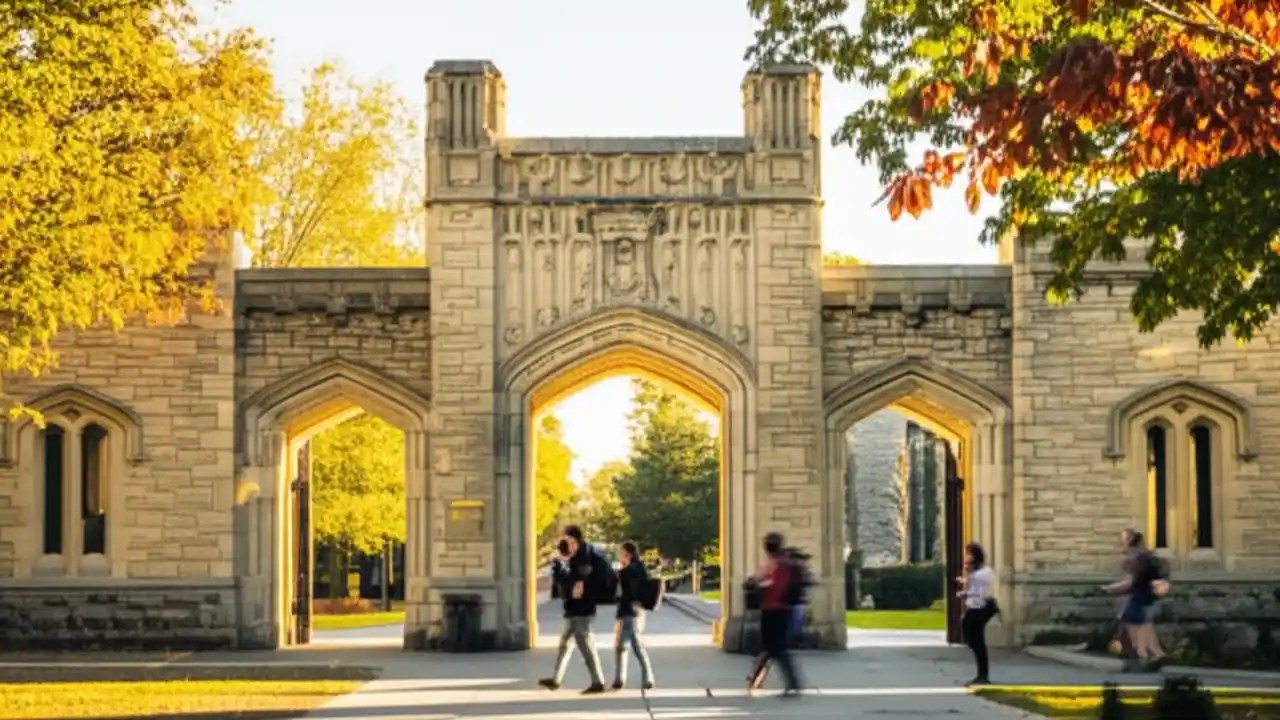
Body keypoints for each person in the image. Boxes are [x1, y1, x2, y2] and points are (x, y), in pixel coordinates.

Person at [539, 525, 608, 694]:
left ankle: (597, 681)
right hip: (575, 608)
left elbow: (574, 586)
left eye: (565, 540)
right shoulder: (581, 556)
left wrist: (559, 572)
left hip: (581, 609)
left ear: (573, 540)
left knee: (585, 645)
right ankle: (556, 679)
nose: (563, 543)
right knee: (565, 644)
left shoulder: (583, 560)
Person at [746, 532, 802, 697]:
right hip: (773, 609)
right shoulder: (775, 563)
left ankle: (791, 682)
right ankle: (756, 680)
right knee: (771, 648)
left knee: (774, 648)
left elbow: (777, 586)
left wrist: (760, 585)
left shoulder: (779, 564)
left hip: (776, 610)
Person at [1104, 528, 1165, 671]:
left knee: (1136, 624)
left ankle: (1144, 655)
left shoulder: (1137, 558)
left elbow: (1131, 581)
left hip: (1139, 596)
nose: (1122, 543)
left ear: (1130, 541)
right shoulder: (1145, 555)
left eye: (1124, 539)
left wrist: (1111, 589)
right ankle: (1152, 654)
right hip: (1145, 596)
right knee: (1142, 624)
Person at [611, 541, 655, 691]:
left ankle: (620, 678)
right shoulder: (641, 568)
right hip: (639, 611)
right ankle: (646, 677)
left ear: (626, 554)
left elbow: (620, 593)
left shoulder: (625, 572)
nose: (619, 555)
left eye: (621, 552)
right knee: (635, 646)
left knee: (621, 647)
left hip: (626, 612)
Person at [957, 542, 996, 685]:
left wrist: (967, 577)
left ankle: (983, 675)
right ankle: (981, 674)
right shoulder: (975, 572)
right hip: (973, 606)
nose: (965, 557)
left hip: (980, 608)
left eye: (968, 554)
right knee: (972, 637)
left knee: (977, 641)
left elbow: (973, 589)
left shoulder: (981, 574)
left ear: (974, 556)